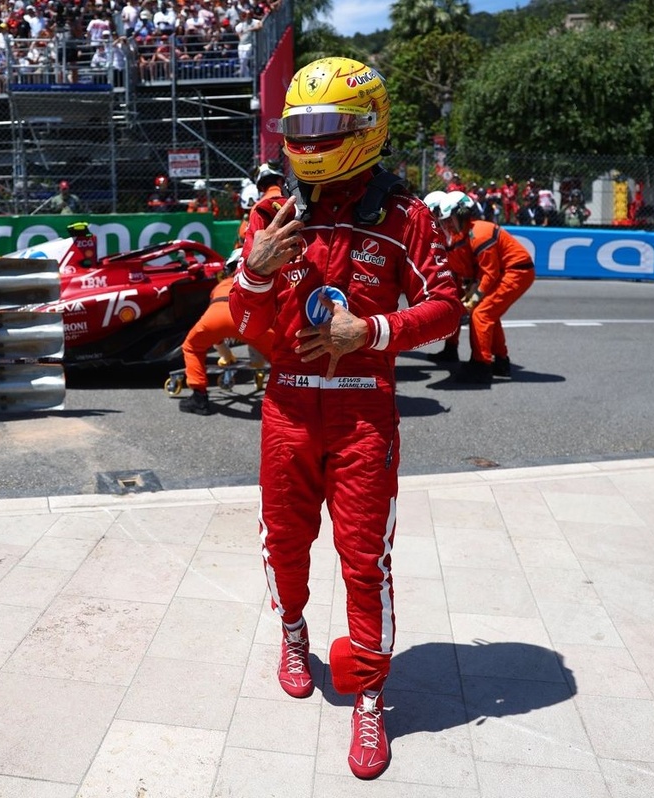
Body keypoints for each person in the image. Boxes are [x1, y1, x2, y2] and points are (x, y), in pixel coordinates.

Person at [229, 56, 462, 780]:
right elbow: (241, 318)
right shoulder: (271, 214)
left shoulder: (406, 216)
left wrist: (376, 332)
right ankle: (293, 633)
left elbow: (449, 305)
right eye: (299, 128)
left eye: (326, 127)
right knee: (284, 540)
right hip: (287, 410)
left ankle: (369, 699)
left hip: (364, 417)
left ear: (367, 127)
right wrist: (255, 269)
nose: (309, 141)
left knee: (366, 563)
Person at [178, 250, 275, 415]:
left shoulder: (220, 285)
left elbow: (216, 330)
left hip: (216, 315)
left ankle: (199, 398)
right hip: (249, 318)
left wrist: (226, 355)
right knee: (280, 357)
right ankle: (286, 397)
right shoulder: (263, 281)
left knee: (191, 347)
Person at [451, 211, 536, 384]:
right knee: (490, 314)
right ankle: (501, 362)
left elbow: (489, 273)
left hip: (515, 272)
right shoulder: (467, 233)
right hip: (509, 271)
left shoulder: (479, 233)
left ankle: (481, 365)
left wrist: (474, 298)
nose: (446, 225)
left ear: (459, 216)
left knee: (481, 314)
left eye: (448, 220)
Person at [425, 190, 480, 363]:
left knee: (478, 315)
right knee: (454, 311)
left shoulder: (458, 231)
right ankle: (451, 349)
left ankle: (485, 360)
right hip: (456, 275)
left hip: (466, 277)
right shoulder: (447, 230)